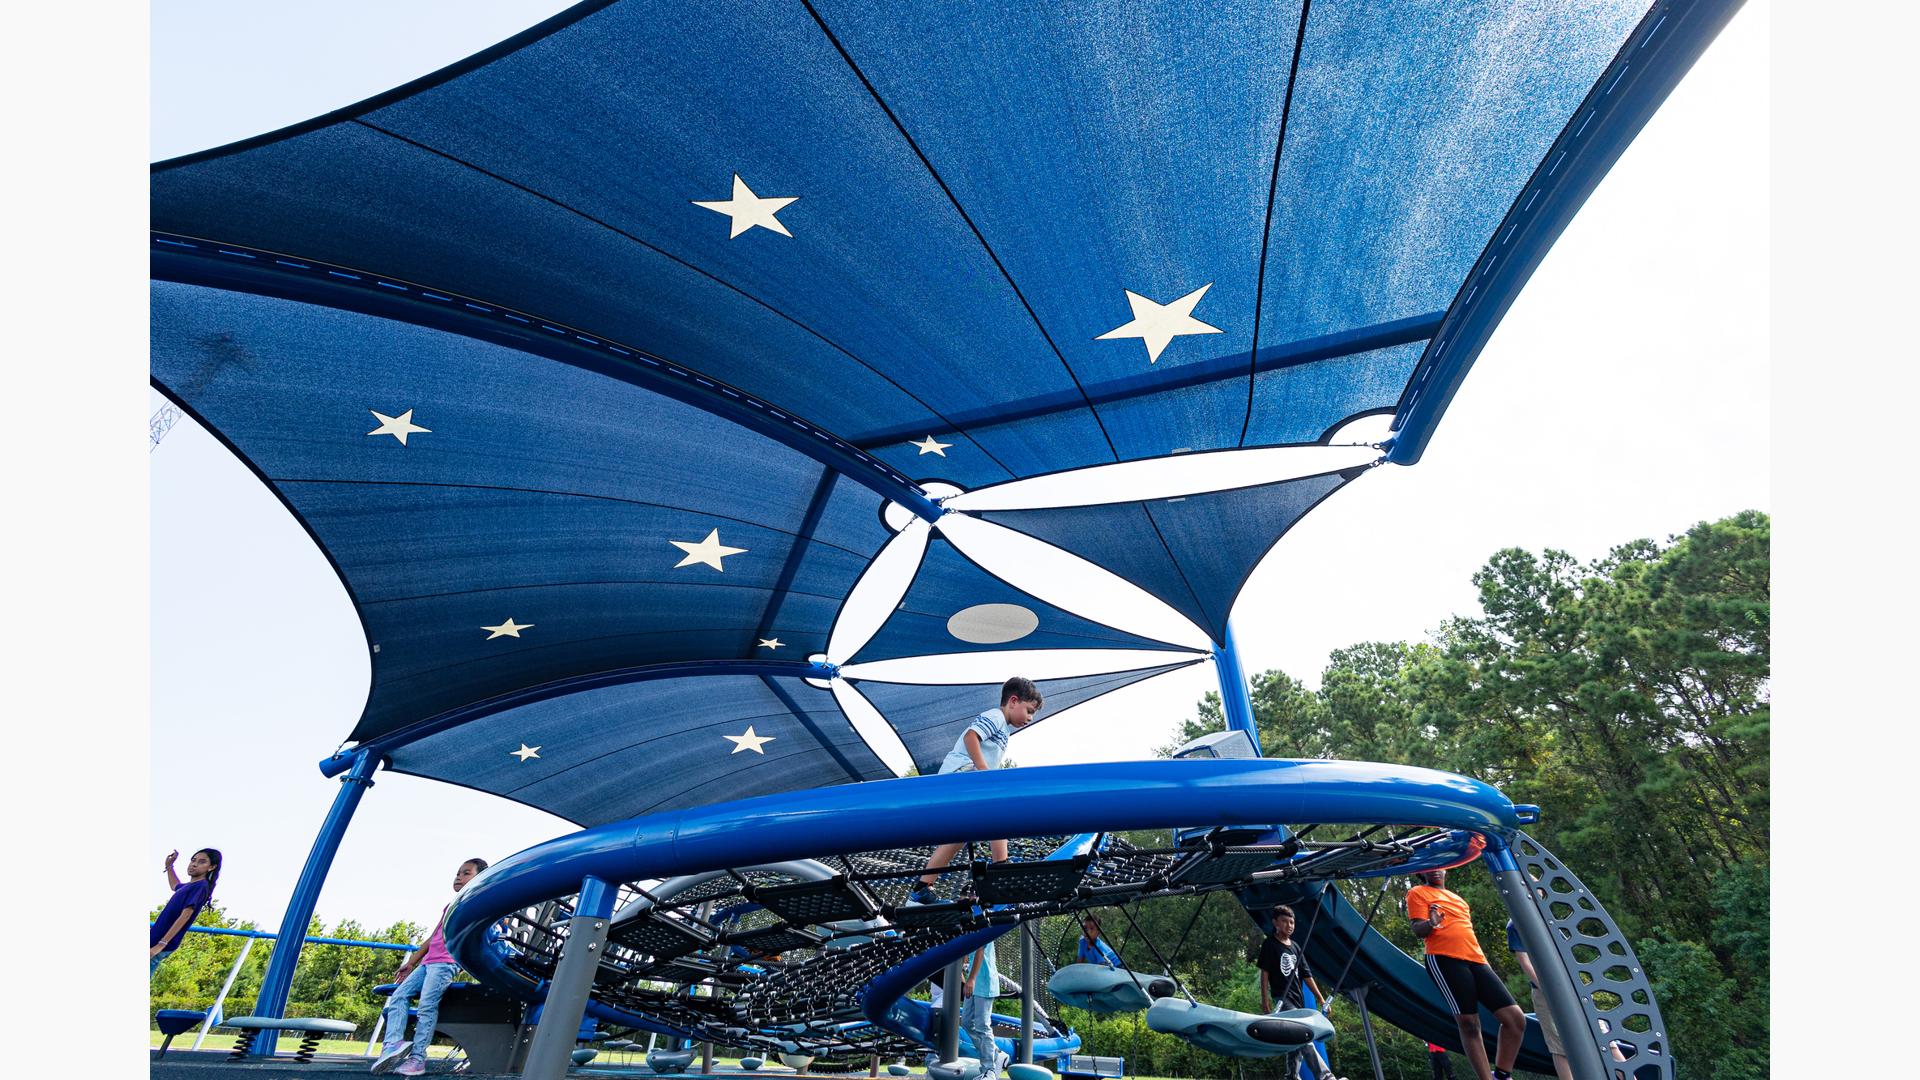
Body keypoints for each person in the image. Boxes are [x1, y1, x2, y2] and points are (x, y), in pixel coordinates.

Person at [908, 678, 1042, 904]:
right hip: (961, 775)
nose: (1030, 718)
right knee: (998, 806)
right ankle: (1002, 870)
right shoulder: (996, 716)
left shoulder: (1003, 730)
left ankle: (921, 889)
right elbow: (972, 736)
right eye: (1029, 711)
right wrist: (983, 770)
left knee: (960, 837)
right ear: (1013, 701)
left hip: (961, 782)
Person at [1406, 869, 1526, 1080]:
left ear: (1446, 868)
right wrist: (1431, 923)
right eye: (1429, 866)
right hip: (1444, 959)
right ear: (1421, 872)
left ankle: (1502, 1075)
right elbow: (1417, 929)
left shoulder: (1459, 899)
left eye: (1439, 864)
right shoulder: (1418, 892)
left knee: (1515, 1019)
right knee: (1469, 1024)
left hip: (1477, 960)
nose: (1435, 869)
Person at [373, 858, 489, 1076]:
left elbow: (491, 925)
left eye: (466, 873)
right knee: (399, 996)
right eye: (458, 873)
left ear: (480, 877)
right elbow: (433, 937)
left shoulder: (477, 902)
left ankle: (418, 1058)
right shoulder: (451, 905)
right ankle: (393, 1044)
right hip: (428, 962)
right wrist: (412, 962)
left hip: (446, 962)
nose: (458, 877)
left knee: (427, 1005)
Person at [1255, 905, 1344, 1080]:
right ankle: (1325, 1076)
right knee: (1303, 1035)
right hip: (1282, 998)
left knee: (1295, 1039)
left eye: (1292, 922)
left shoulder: (1296, 946)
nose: (1289, 925)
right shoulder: (1270, 944)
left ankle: (1291, 1077)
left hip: (1299, 999)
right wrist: (1264, 999)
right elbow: (1264, 973)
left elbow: (1306, 975)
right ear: (1275, 923)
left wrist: (1320, 998)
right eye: (1285, 921)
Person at [1506, 919, 1574, 1080]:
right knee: (1557, 1045)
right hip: (1545, 992)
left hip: (1572, 986)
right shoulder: (1516, 922)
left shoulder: (1546, 915)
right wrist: (1547, 989)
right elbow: (1524, 961)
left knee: (1602, 1035)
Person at [151, 848, 221, 975]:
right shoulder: (189, 886)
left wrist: (161, 944)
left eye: (201, 862)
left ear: (211, 867)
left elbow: (185, 916)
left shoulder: (201, 886)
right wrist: (169, 866)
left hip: (160, 944)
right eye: (193, 860)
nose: (194, 864)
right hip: (155, 939)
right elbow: (175, 886)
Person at [959, 937, 1010, 1080]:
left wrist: (972, 979)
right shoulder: (971, 928)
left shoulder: (982, 924)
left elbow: (980, 950)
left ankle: (989, 1070)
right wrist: (964, 960)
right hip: (975, 983)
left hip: (984, 982)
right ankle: (996, 1054)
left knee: (982, 1025)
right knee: (967, 1023)